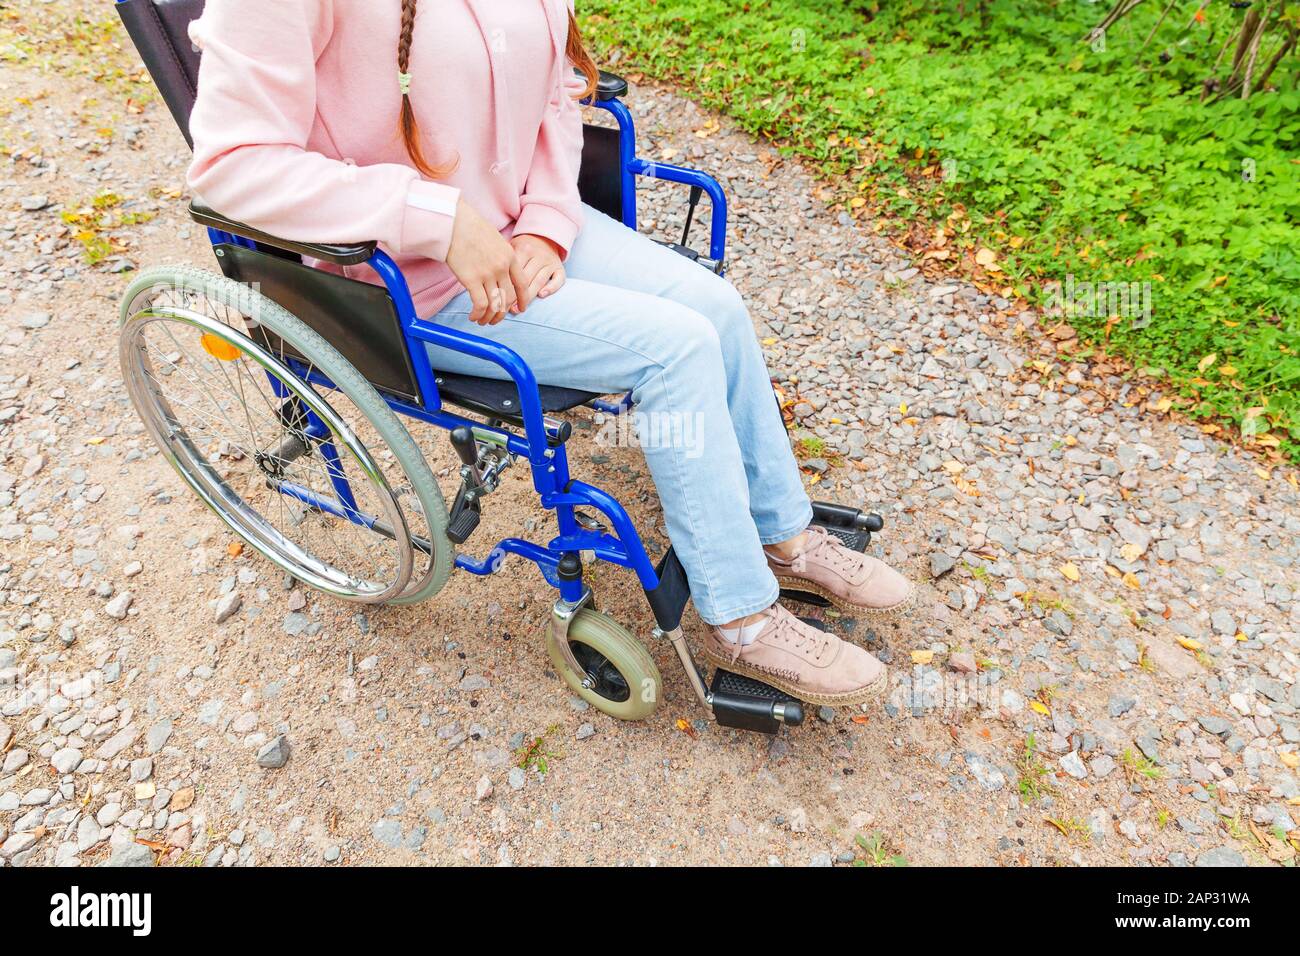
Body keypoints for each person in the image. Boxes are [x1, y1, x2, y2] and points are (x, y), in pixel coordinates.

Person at [186, 0, 915, 706]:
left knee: (715, 310)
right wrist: (434, 219)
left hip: (524, 227)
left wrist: (545, 224)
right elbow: (231, 167)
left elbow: (559, 99)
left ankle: (780, 531)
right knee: (674, 351)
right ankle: (741, 616)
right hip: (413, 280)